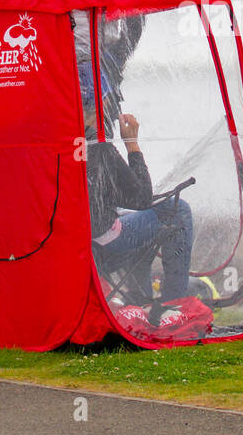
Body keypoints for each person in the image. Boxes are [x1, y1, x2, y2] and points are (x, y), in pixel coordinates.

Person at [82, 83, 195, 306]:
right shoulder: (97, 145)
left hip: (68, 244)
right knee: (177, 210)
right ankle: (174, 305)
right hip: (97, 247)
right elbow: (141, 199)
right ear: (101, 103)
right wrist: (132, 143)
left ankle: (140, 298)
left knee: (132, 218)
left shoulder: (55, 141)